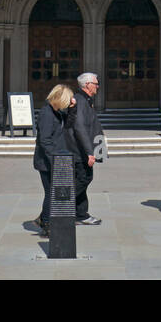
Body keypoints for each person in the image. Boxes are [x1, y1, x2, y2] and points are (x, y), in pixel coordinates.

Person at [32, 83, 74, 235]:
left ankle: (44, 219)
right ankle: (47, 223)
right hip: (47, 162)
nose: (68, 103)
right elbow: (45, 140)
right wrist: (55, 160)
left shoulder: (57, 112)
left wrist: (72, 108)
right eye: (67, 100)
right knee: (51, 192)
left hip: (57, 158)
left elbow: (70, 124)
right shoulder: (47, 114)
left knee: (53, 192)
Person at [64, 71, 104, 226]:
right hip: (79, 151)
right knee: (84, 178)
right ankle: (62, 206)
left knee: (83, 178)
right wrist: (89, 152)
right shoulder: (80, 100)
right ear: (87, 85)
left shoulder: (85, 99)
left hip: (82, 149)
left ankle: (81, 214)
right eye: (95, 83)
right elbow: (79, 127)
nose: (98, 86)